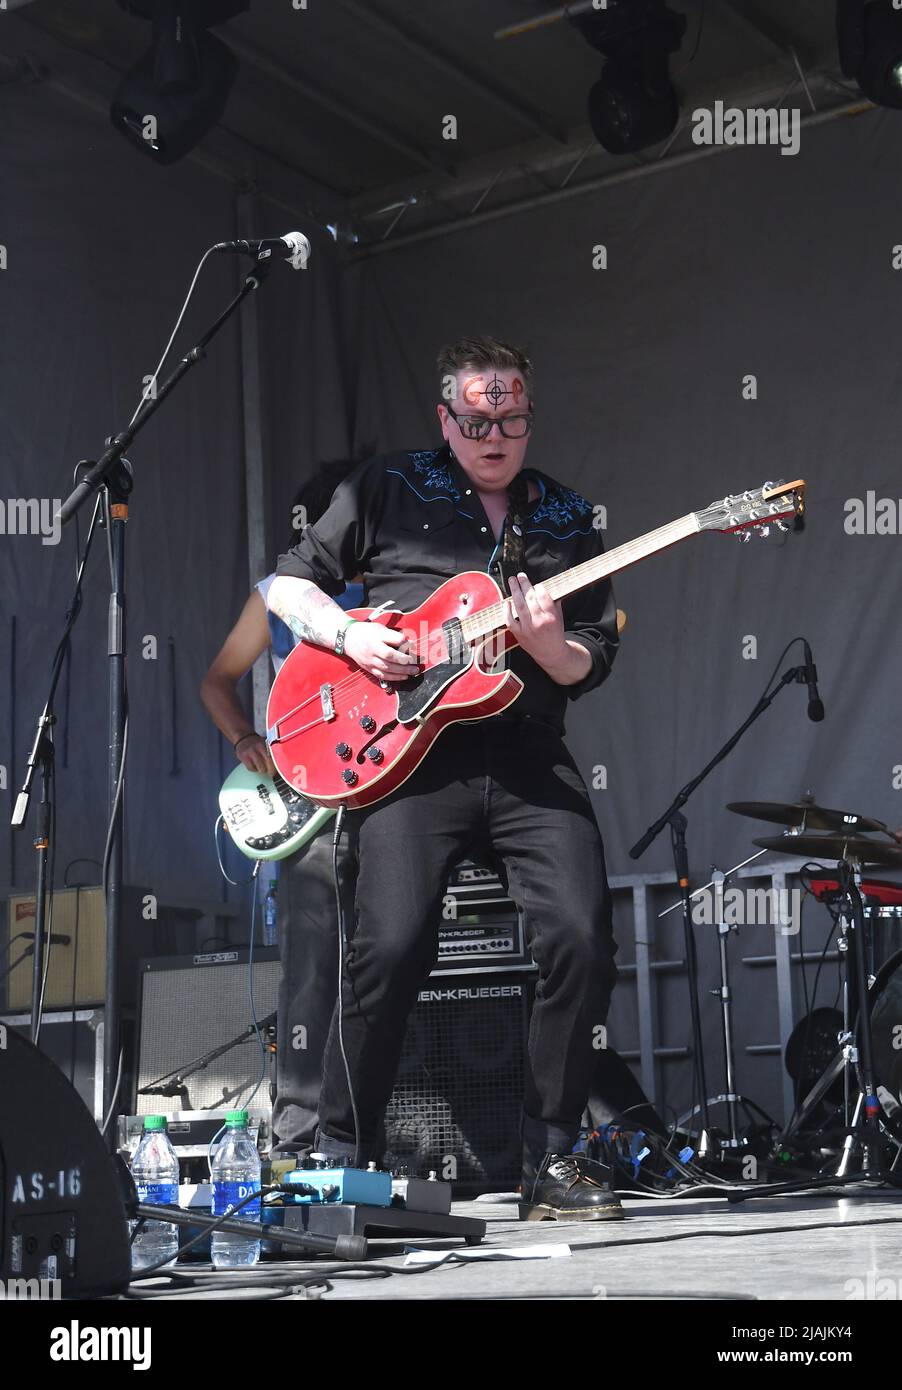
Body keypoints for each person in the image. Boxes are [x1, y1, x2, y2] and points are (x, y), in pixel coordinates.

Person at [267, 336, 623, 1220]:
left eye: (510, 417)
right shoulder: (385, 488)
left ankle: (553, 1161)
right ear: (446, 418)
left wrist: (550, 646)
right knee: (387, 948)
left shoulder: (570, 517)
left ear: (528, 415)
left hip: (527, 749)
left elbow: (590, 657)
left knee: (582, 937)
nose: (495, 434)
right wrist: (350, 637)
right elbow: (285, 585)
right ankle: (344, 1157)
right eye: (476, 419)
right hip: (408, 754)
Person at [200, 458, 365, 1156]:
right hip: (308, 805)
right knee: (310, 970)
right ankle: (298, 1133)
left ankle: (362, 1128)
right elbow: (217, 680)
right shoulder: (275, 595)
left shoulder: (399, 588)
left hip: (389, 793)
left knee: (381, 959)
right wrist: (244, 737)